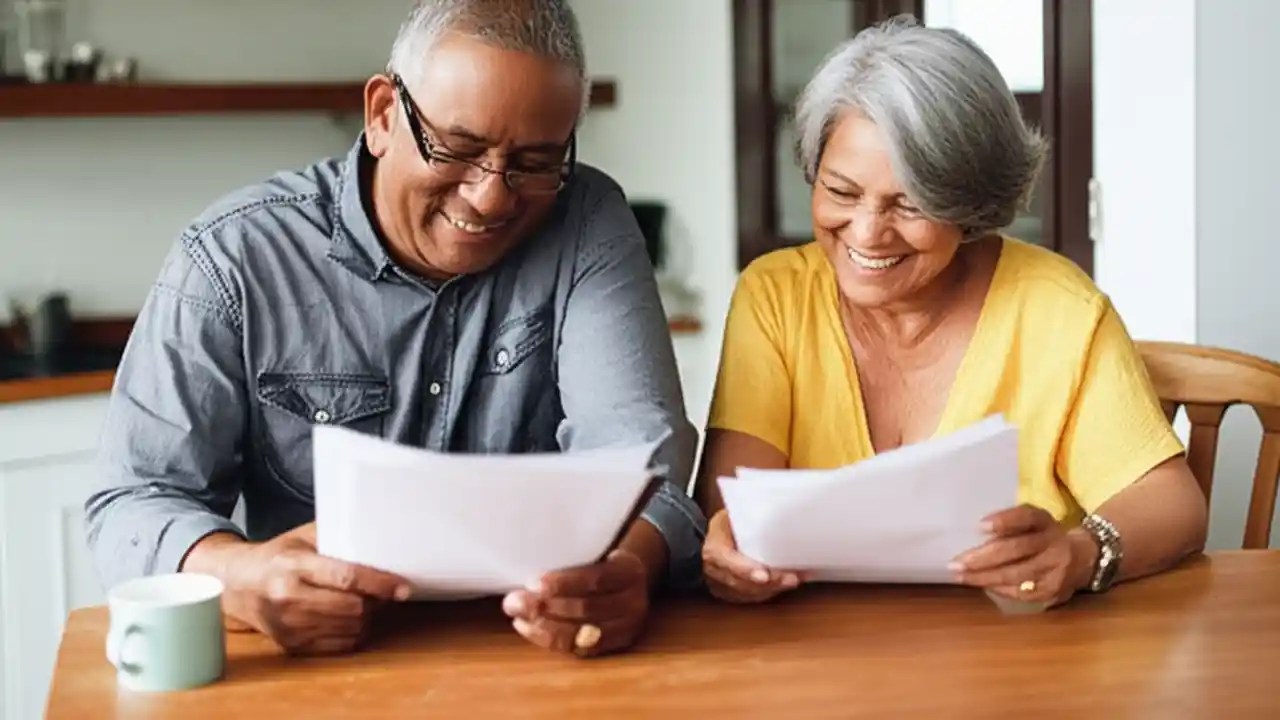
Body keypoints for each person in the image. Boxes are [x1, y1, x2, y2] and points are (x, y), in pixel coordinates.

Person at [85, 0, 705, 658]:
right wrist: (240, 576)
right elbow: (133, 500)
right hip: (317, 668)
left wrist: (630, 571)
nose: (491, 196)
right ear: (383, 114)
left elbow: (644, 468)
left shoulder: (587, 222)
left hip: (538, 661)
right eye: (458, 149)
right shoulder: (233, 258)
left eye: (535, 162)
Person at [696, 18, 1207, 607]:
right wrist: (732, 555)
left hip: (1017, 662)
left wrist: (1078, 554)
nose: (866, 233)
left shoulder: (1056, 307)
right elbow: (733, 510)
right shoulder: (775, 296)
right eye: (841, 192)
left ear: (971, 207)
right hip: (815, 664)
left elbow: (1172, 504)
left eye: (909, 204)